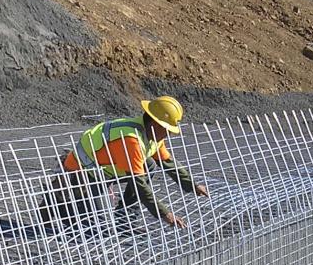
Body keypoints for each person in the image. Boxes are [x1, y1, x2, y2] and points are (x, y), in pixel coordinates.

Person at [40, 96, 209, 230]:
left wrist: (192, 185)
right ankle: (57, 202)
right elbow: (139, 185)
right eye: (166, 129)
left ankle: (125, 217)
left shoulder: (151, 136)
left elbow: (168, 163)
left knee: (149, 164)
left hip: (104, 172)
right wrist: (165, 214)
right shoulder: (131, 139)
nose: (168, 135)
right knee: (92, 228)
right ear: (154, 123)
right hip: (83, 174)